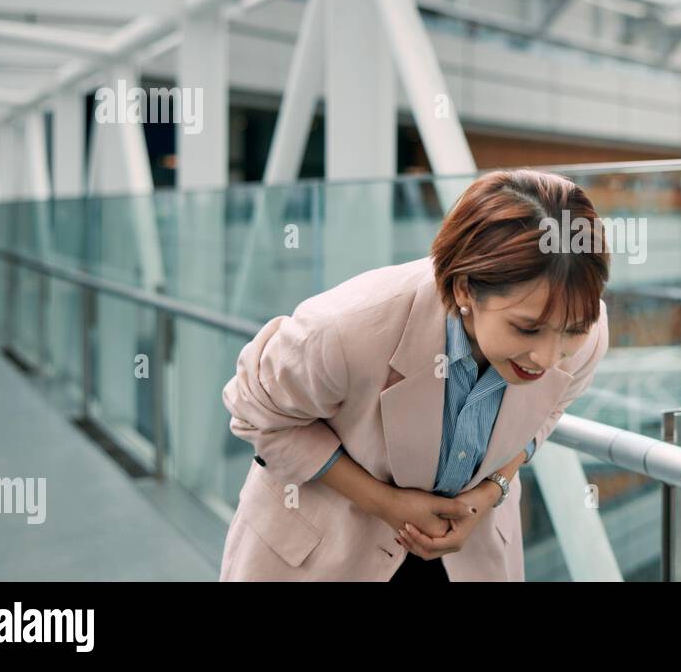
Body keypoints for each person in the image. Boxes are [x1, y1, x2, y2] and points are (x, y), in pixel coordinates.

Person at [219, 169, 611, 581]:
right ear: (464, 290)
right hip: (326, 551)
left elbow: (545, 415)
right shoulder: (346, 328)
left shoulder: (589, 333)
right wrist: (384, 503)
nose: (549, 357)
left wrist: (492, 489)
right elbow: (255, 414)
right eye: (526, 328)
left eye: (572, 330)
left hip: (466, 556)